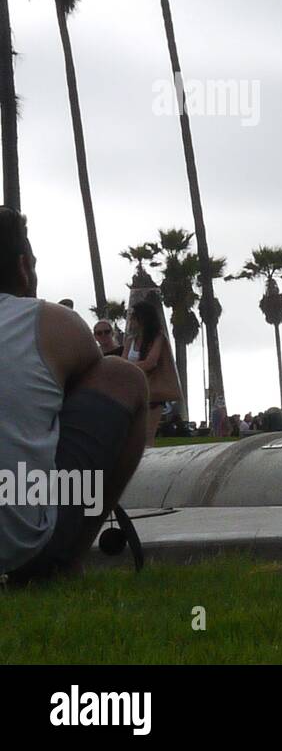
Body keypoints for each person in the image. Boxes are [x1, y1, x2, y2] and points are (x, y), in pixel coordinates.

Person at [0, 207, 149, 584]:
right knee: (123, 378)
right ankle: (65, 562)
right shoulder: (52, 323)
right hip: (22, 547)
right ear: (23, 267)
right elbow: (93, 393)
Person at [124, 300, 181, 448]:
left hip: (152, 392)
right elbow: (122, 362)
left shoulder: (158, 338)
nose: (130, 320)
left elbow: (151, 362)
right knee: (132, 435)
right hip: (132, 392)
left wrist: (128, 367)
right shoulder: (130, 341)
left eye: (133, 316)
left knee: (147, 436)